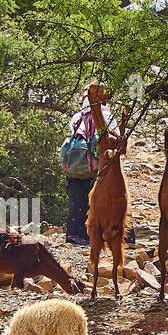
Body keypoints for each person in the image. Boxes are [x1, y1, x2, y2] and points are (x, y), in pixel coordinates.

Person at [60, 87, 110, 245]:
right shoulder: (105, 116)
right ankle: (99, 235)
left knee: (76, 204)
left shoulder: (76, 117)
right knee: (97, 203)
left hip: (74, 170)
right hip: (95, 169)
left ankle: (75, 235)